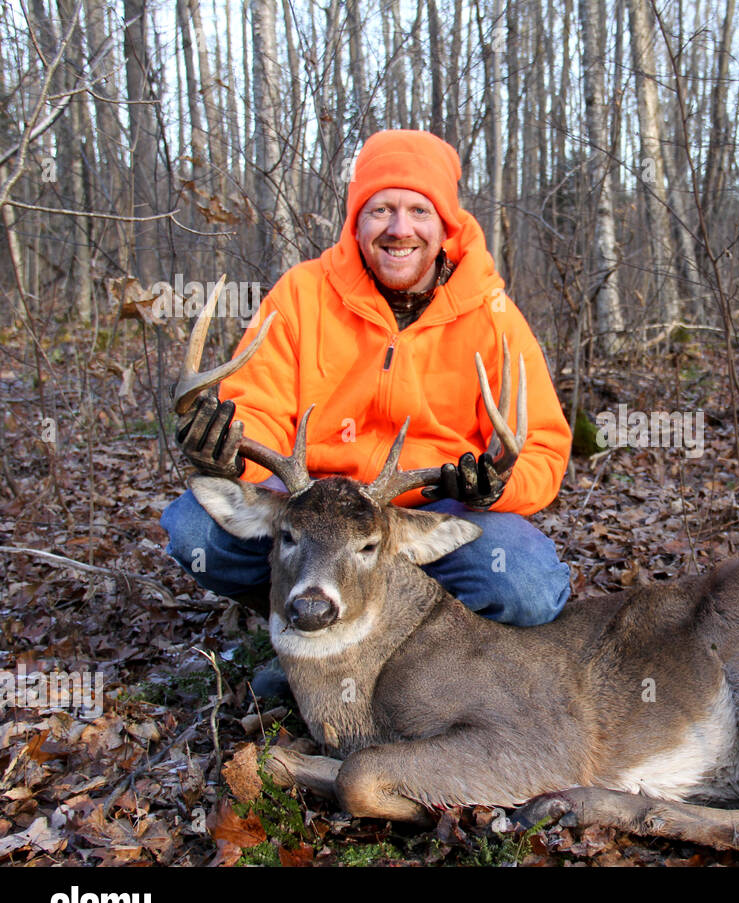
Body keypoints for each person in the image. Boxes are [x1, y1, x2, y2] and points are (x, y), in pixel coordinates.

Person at [161, 129, 573, 652]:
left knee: (528, 587)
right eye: (381, 210)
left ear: (444, 224)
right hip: (310, 508)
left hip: (422, 516)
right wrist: (228, 453)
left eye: (419, 211)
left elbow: (541, 447)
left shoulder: (492, 318)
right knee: (195, 531)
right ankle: (296, 619)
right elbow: (257, 407)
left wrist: (495, 487)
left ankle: (411, 643)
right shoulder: (303, 294)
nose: (400, 230)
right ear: (356, 220)